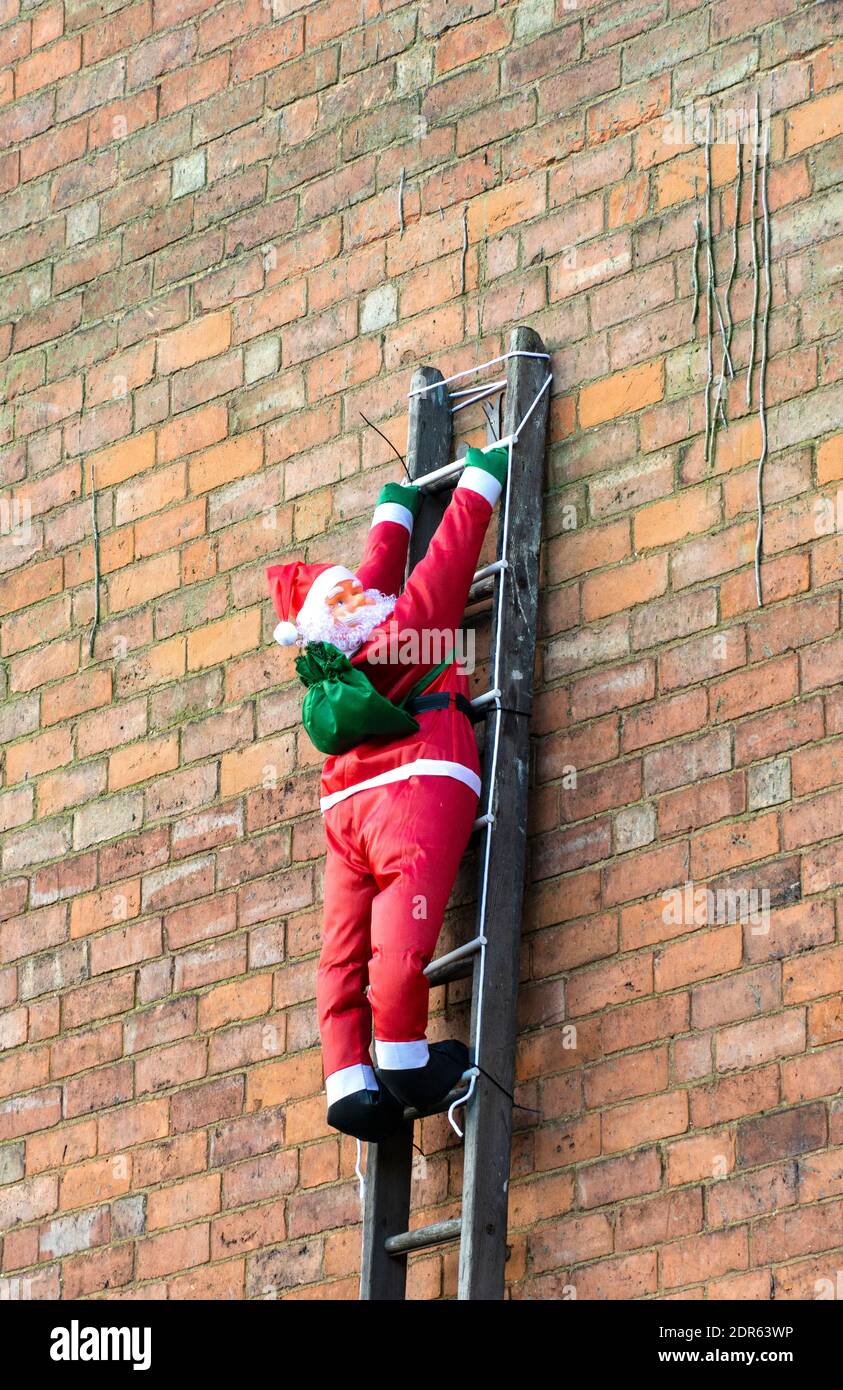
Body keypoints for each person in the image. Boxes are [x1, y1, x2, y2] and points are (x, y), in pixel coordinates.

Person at [267, 446, 508, 1141]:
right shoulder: (404, 635)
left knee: (342, 949)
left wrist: (393, 513)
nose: (359, 594)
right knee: (400, 936)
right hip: (417, 787)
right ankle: (403, 1058)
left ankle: (347, 1078)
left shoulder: (329, 659)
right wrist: (480, 480)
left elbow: (367, 582)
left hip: (345, 809)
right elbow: (448, 566)